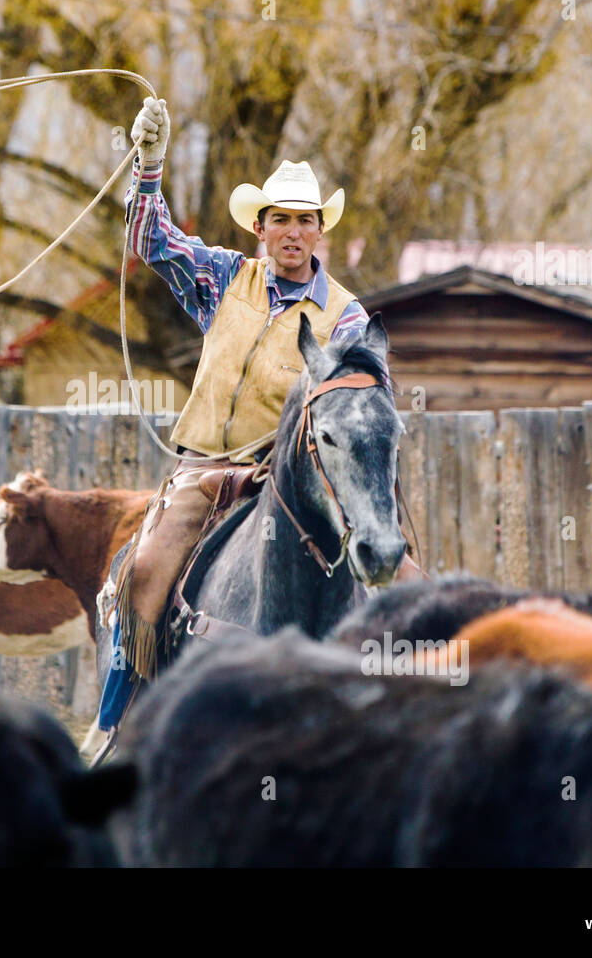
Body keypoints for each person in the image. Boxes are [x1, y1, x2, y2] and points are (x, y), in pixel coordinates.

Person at [95, 97, 409, 738]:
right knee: (148, 569)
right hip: (204, 472)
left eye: (305, 221)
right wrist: (149, 167)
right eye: (281, 220)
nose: (293, 232)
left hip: (291, 476)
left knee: (396, 579)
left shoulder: (346, 317)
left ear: (321, 231)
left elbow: (359, 401)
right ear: (260, 228)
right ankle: (119, 717)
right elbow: (149, 241)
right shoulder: (223, 278)